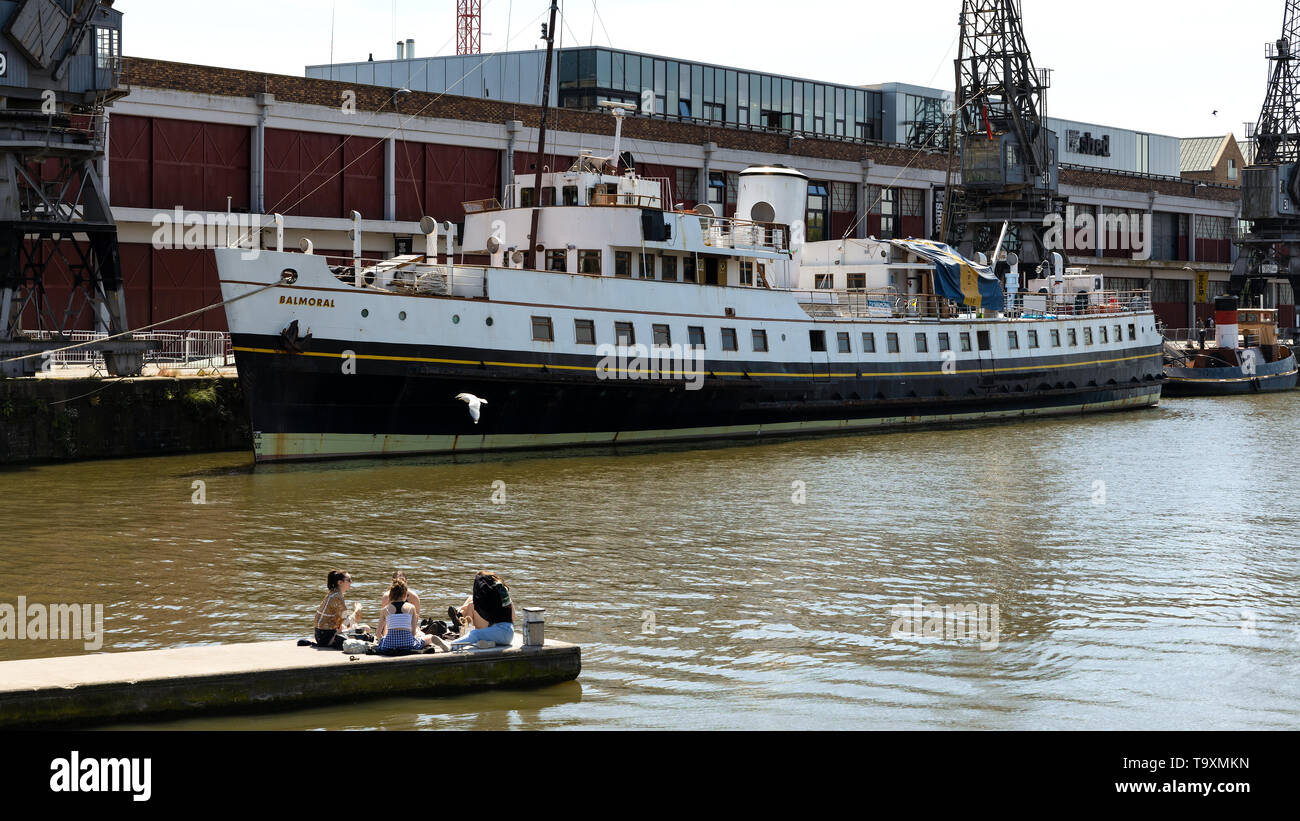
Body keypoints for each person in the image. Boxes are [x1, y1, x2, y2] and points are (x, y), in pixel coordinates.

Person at [449, 571, 515, 648]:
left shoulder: (497, 596)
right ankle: (488, 644)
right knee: (479, 635)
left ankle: (451, 646)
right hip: (505, 632)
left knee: (475, 634)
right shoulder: (501, 592)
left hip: (504, 632)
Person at [377, 579, 441, 654]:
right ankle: (443, 644)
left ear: (391, 595)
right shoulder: (411, 608)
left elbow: (378, 633)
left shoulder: (385, 610)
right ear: (405, 595)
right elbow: (413, 632)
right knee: (429, 637)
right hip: (408, 644)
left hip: (388, 646)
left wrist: (383, 641)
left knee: (385, 638)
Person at [314, 569, 367, 649]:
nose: (351, 582)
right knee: (365, 628)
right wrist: (357, 609)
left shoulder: (333, 593)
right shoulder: (336, 597)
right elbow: (349, 621)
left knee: (357, 627)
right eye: (348, 580)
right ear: (340, 582)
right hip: (327, 637)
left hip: (321, 635)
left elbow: (344, 620)